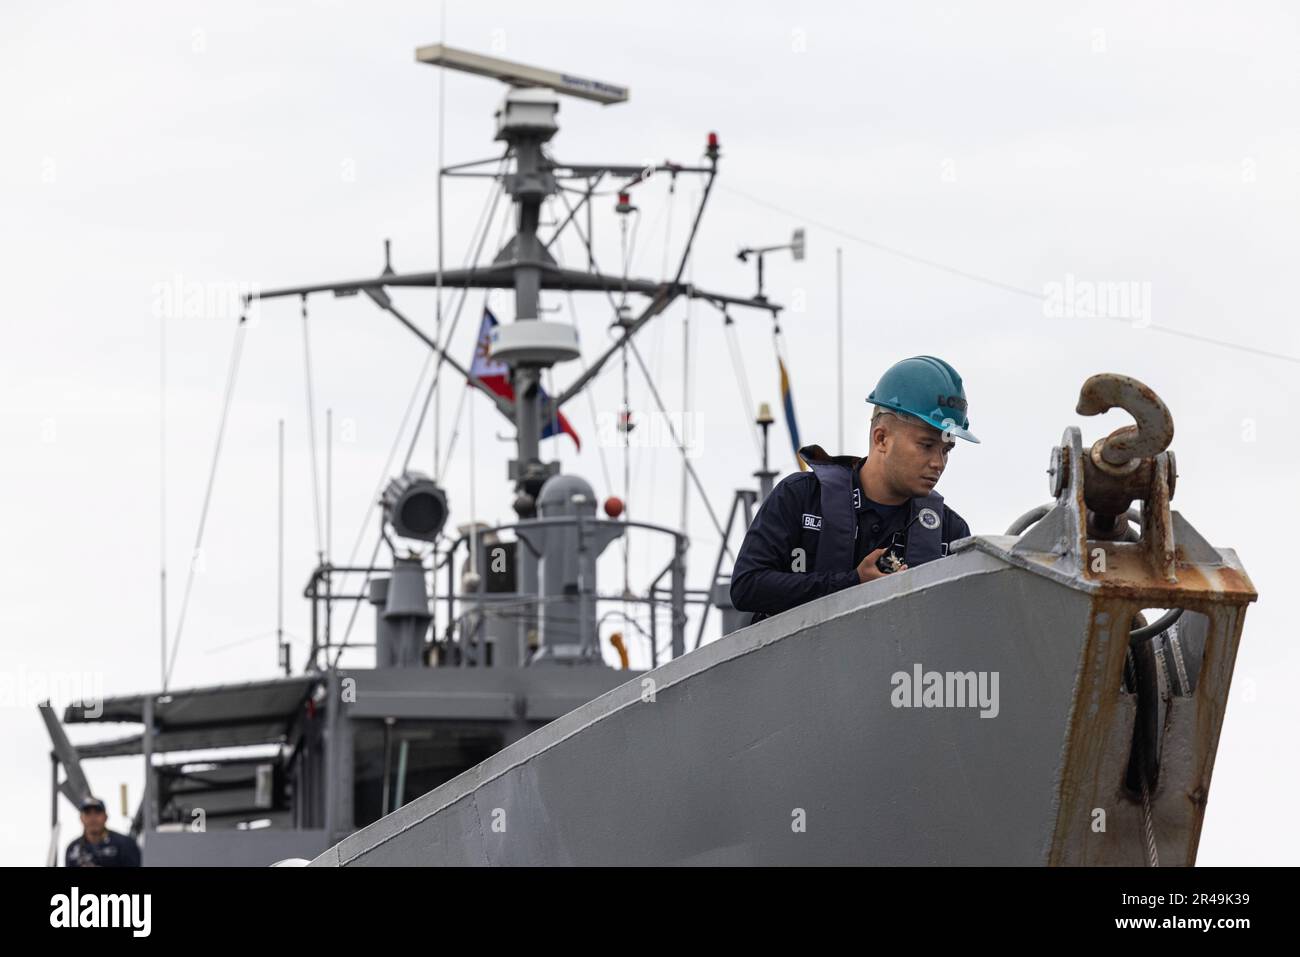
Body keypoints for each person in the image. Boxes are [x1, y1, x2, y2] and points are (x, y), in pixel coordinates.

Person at [730, 355, 978, 624]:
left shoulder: (951, 532)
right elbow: (747, 587)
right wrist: (852, 583)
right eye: (926, 445)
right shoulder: (800, 497)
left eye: (946, 450)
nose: (938, 463)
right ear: (881, 438)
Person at [65, 796, 142, 867]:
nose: (93, 818)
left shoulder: (125, 844)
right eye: (87, 813)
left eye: (97, 812)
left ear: (106, 817)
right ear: (81, 818)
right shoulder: (72, 848)